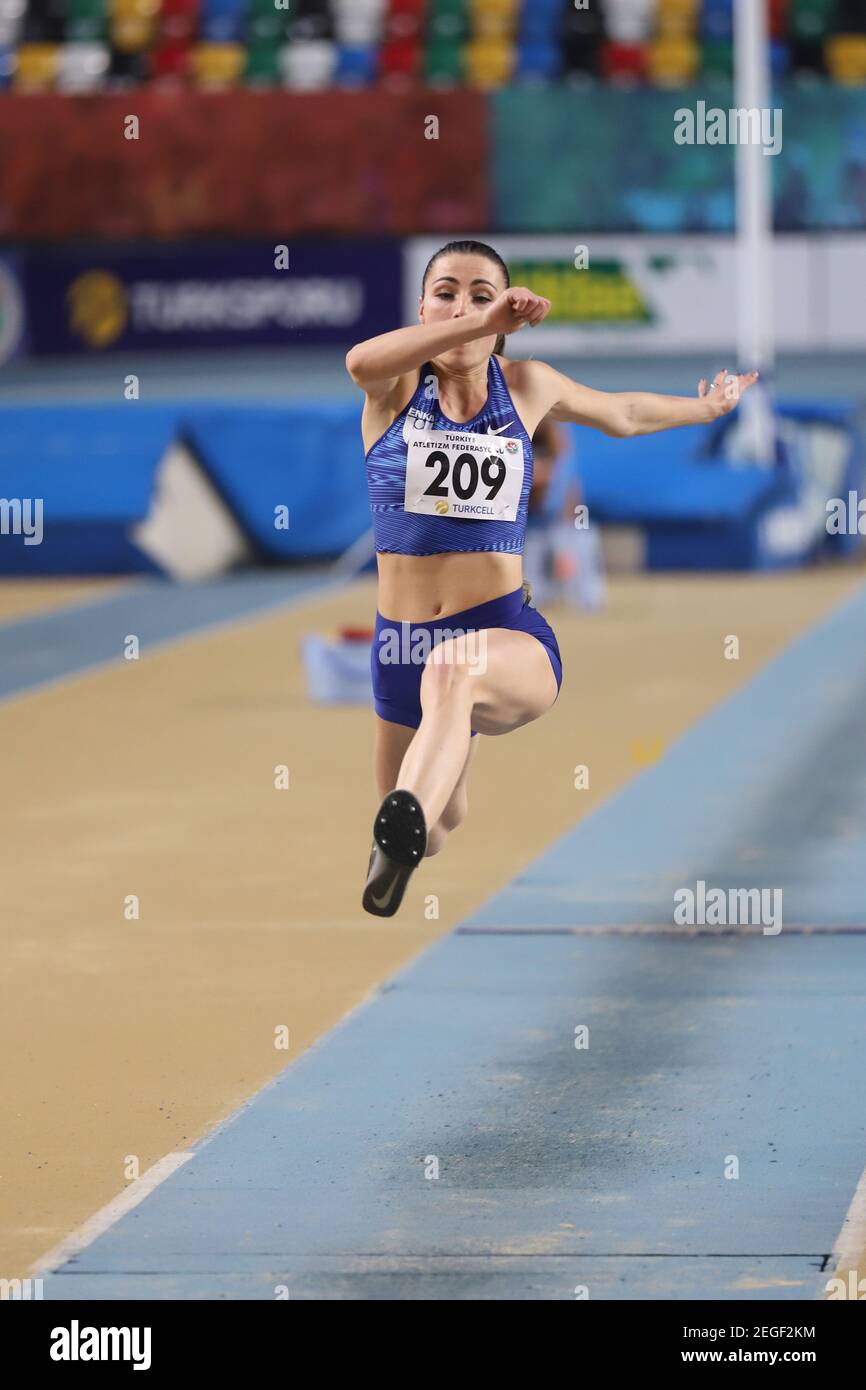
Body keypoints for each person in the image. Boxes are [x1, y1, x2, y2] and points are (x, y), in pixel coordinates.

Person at [346, 239, 757, 916]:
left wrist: (705, 410)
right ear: (421, 308)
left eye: (483, 294)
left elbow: (621, 413)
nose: (463, 305)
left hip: (505, 633)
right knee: (441, 824)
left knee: (453, 672)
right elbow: (358, 358)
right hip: (400, 648)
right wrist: (481, 322)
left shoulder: (527, 385)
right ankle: (416, 823)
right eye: (445, 292)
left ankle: (403, 826)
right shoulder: (392, 392)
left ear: (507, 313)